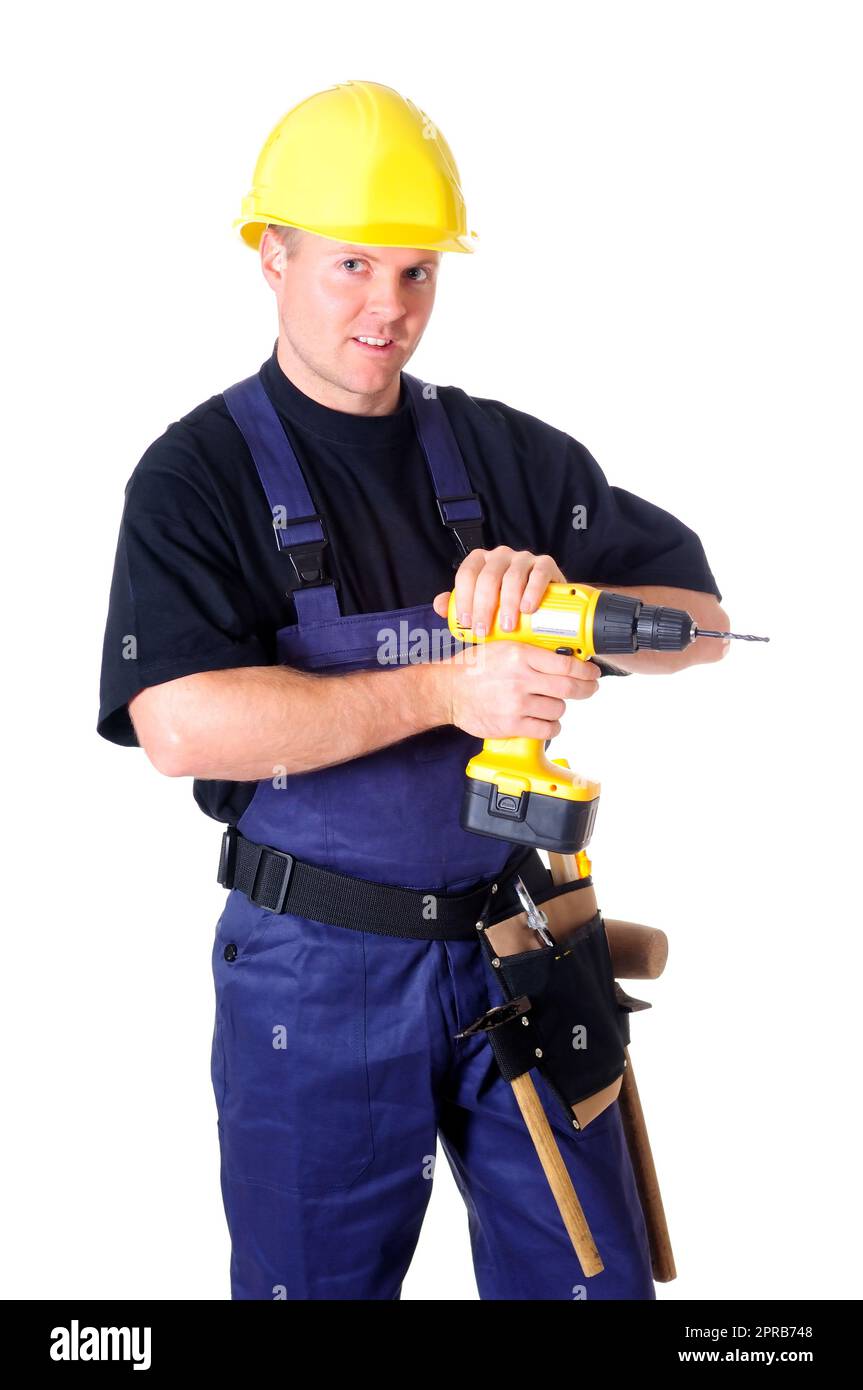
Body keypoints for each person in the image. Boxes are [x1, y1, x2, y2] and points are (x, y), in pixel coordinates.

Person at [97, 79, 729, 1301]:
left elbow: (699, 627)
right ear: (269, 258)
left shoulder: (501, 452)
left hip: (520, 945)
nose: (386, 310)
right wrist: (453, 689)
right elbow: (179, 725)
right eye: (350, 268)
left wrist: (571, 605)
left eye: (416, 273)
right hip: (312, 972)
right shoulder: (196, 475)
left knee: (593, 1289)